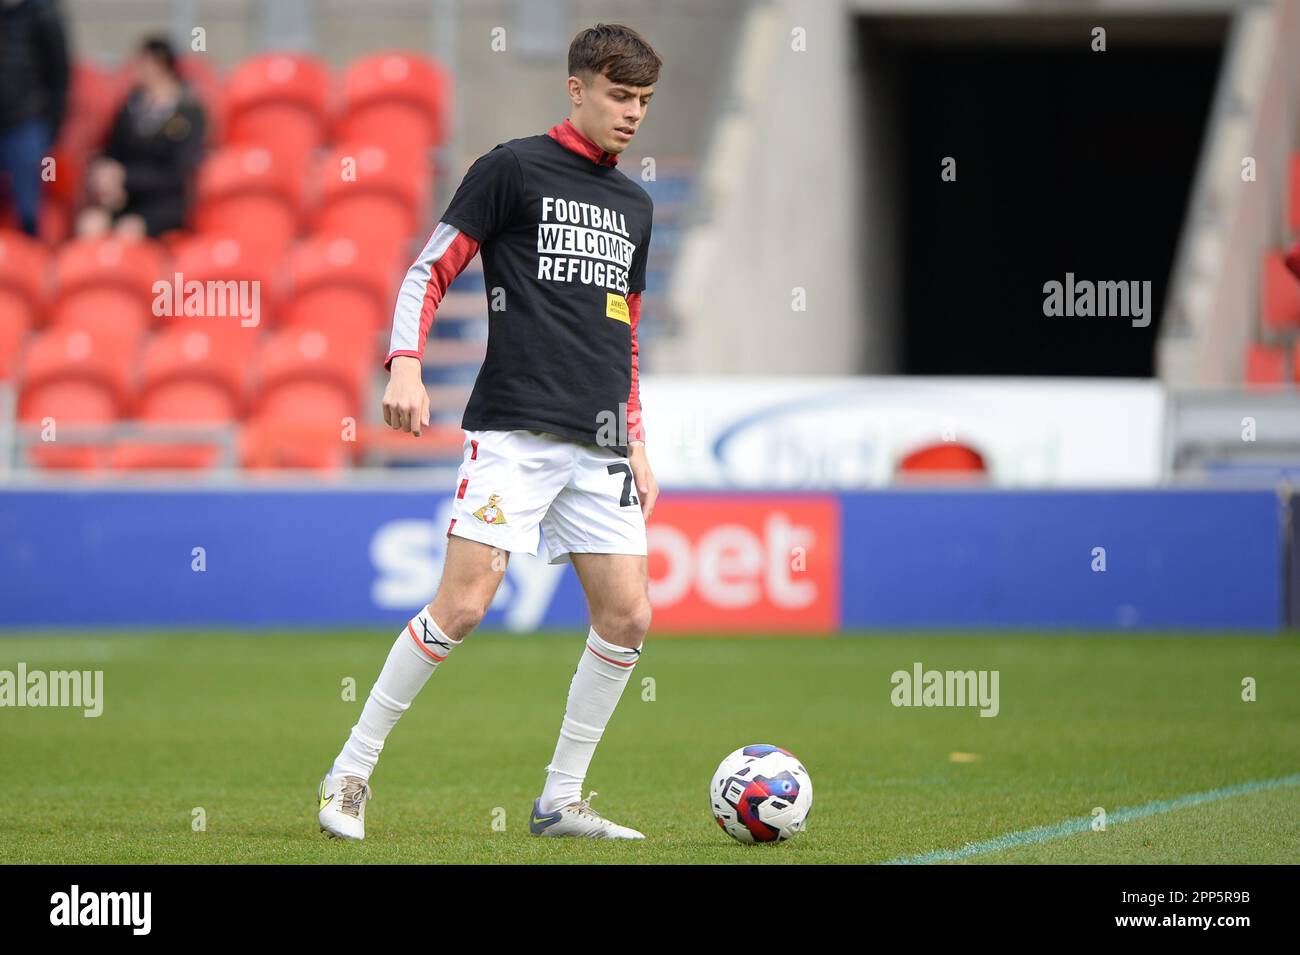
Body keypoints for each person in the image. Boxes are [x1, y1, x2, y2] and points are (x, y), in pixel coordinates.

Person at [318, 23, 662, 840]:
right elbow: (428, 267)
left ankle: (559, 801)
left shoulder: (635, 205)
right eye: (619, 96)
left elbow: (629, 328)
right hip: (516, 431)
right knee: (465, 605)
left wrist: (638, 433)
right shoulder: (512, 168)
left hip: (602, 438)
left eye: (644, 101)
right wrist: (403, 362)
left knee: (629, 617)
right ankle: (351, 770)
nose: (633, 114)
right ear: (575, 89)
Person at [77, 36, 205, 240]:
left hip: (163, 202)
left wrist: (126, 177)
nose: (135, 69)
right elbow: (113, 150)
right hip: (125, 198)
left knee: (127, 233)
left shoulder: (187, 112)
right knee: (89, 226)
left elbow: (177, 173)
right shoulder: (131, 105)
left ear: (159, 63)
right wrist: (106, 177)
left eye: (142, 62)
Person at [0, 0, 69, 236]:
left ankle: (30, 259)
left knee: (28, 210)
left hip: (26, 122)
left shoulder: (43, 13)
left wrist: (51, 129)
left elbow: (59, 75)